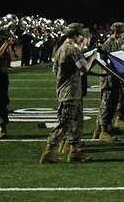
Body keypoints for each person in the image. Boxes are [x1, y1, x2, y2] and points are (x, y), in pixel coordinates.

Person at [40, 23, 92, 164]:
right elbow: (85, 68)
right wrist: (94, 56)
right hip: (70, 92)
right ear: (75, 36)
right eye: (80, 35)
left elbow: (55, 71)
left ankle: (74, 151)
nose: (81, 37)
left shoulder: (60, 49)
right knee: (65, 123)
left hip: (69, 90)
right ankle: (49, 151)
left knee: (77, 122)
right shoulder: (72, 49)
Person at [94, 22, 124, 142]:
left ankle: (103, 127)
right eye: (122, 31)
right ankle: (102, 131)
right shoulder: (109, 43)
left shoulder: (117, 43)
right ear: (117, 32)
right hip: (108, 79)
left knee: (112, 103)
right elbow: (105, 61)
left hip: (115, 77)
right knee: (106, 104)